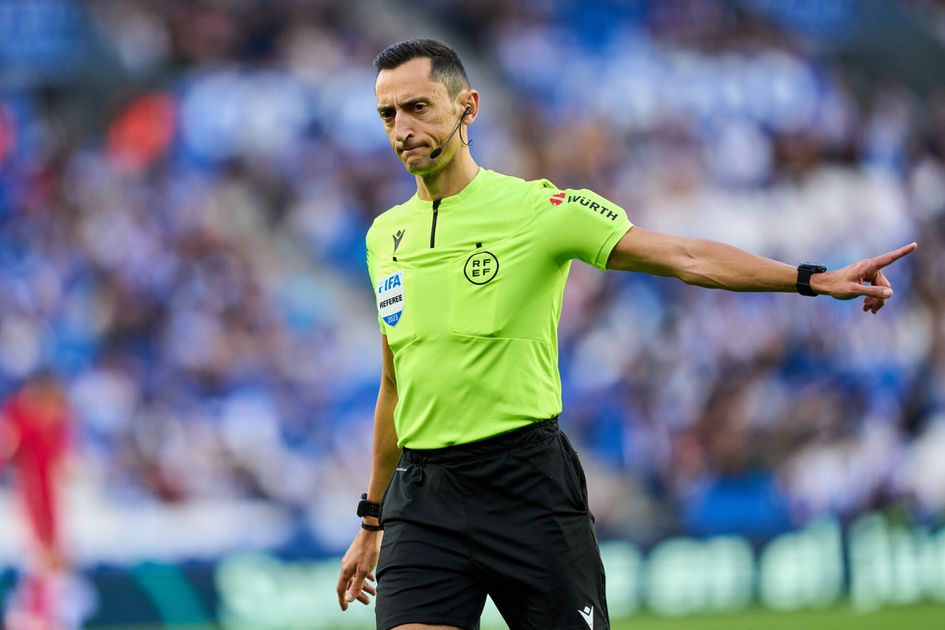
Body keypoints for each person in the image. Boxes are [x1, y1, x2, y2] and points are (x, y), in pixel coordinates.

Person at [335, 39, 917, 630]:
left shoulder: (540, 209)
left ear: (468, 107)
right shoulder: (384, 237)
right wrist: (371, 518)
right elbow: (395, 384)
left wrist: (812, 279)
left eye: (418, 107)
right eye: (388, 114)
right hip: (425, 499)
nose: (402, 129)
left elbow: (686, 257)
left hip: (526, 487)